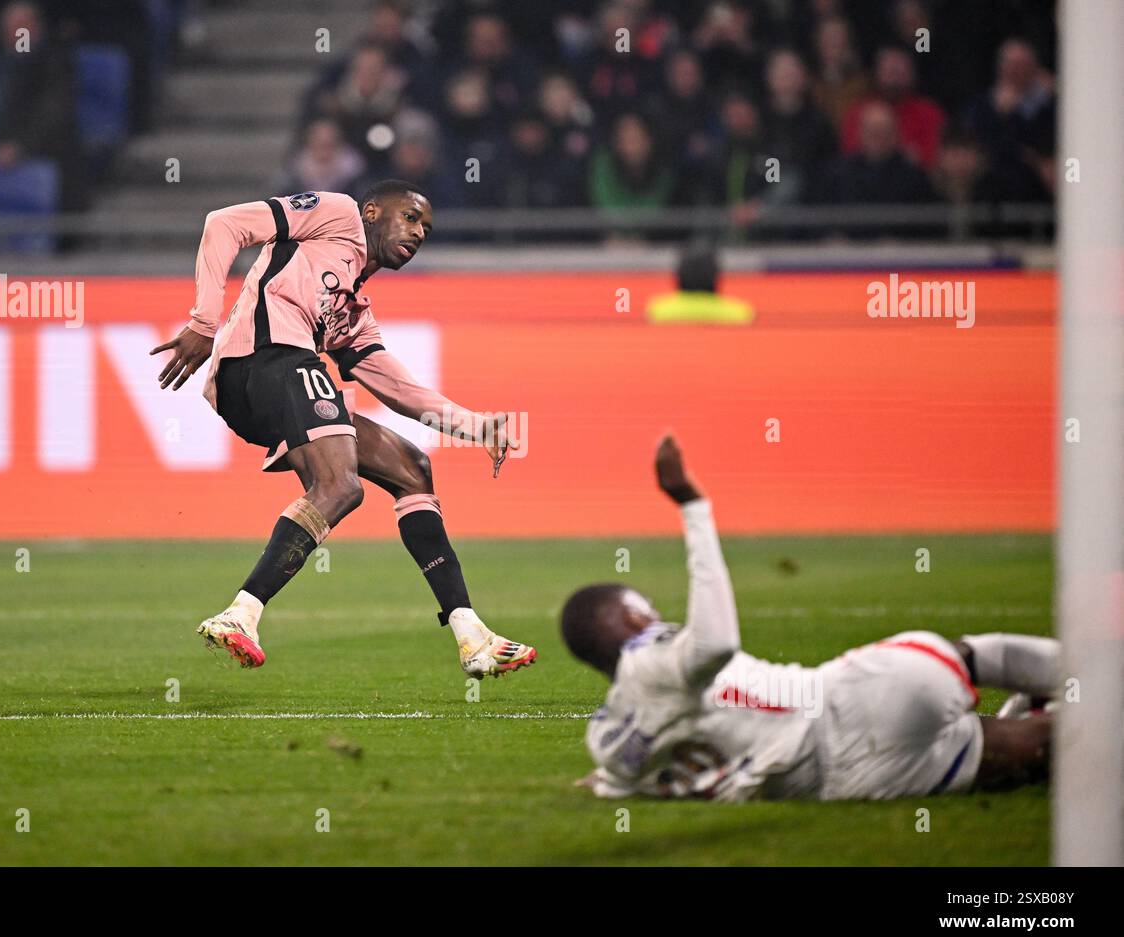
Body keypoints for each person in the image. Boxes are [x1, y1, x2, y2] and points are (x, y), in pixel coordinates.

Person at [150, 180, 537, 680]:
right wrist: (204, 321)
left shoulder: (353, 312)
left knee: (413, 470)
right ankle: (240, 612)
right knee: (339, 485)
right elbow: (223, 224)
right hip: (260, 363)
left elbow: (399, 390)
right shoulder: (336, 215)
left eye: (427, 228)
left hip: (280, 379)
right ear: (373, 212)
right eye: (411, 217)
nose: (419, 233)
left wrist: (475, 425)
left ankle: (472, 635)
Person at [561, 434, 1056, 801]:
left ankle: (1050, 719)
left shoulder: (607, 741)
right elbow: (715, 645)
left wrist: (606, 782)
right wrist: (693, 505)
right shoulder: (650, 658)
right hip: (853, 702)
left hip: (851, 784)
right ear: (631, 615)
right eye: (644, 607)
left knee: (1044, 749)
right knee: (981, 655)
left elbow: (626, 772)